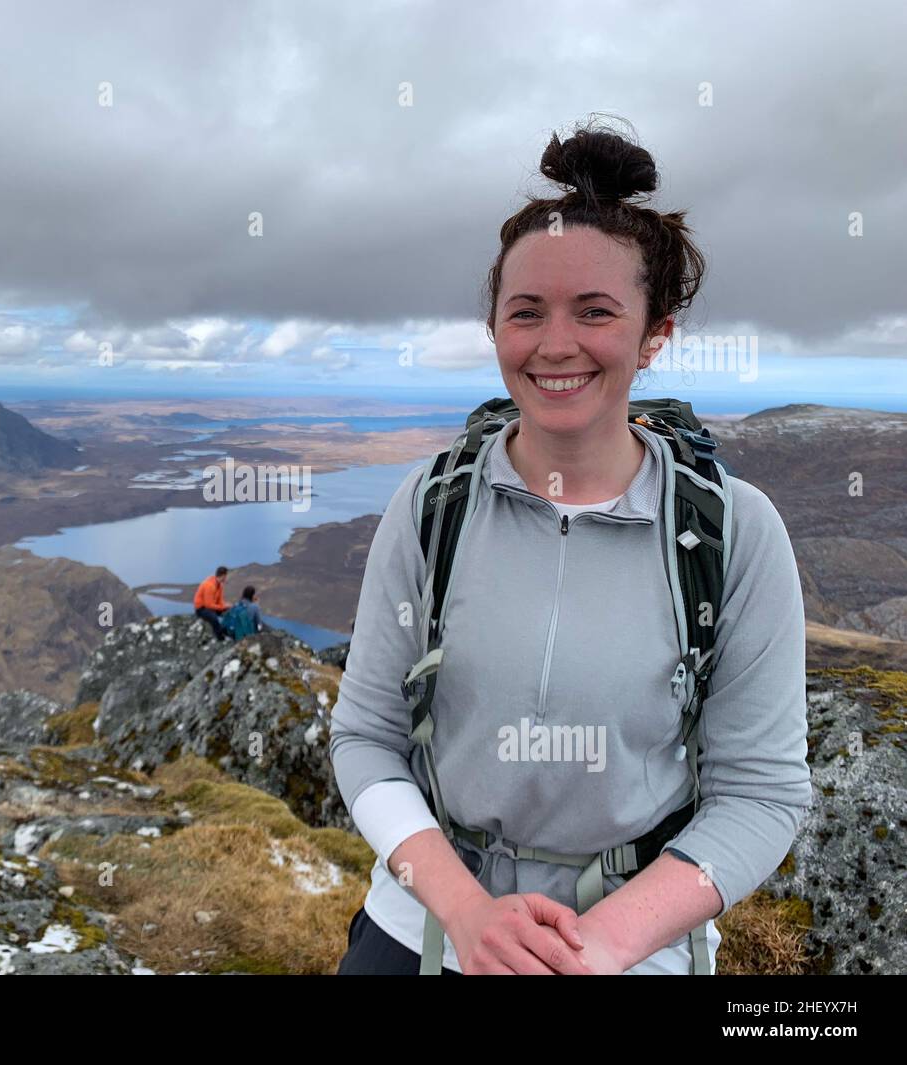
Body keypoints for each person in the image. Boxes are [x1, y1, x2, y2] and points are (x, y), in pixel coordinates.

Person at [329, 117, 811, 975]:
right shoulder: (429, 506)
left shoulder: (736, 533)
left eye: (596, 312)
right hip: (422, 930)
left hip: (633, 955)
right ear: (494, 326)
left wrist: (603, 943)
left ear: (654, 332)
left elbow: (761, 793)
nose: (556, 344)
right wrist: (469, 913)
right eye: (527, 313)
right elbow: (365, 735)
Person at [193, 565, 230, 640]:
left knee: (227, 612)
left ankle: (228, 631)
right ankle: (220, 638)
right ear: (223, 576)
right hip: (201, 609)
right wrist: (222, 607)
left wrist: (225, 606)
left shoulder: (219, 585)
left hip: (211, 606)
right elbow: (208, 605)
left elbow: (220, 600)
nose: (226, 578)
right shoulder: (209, 585)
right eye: (226, 576)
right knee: (214, 618)